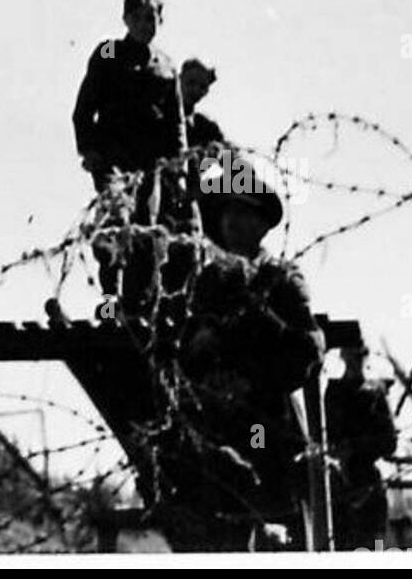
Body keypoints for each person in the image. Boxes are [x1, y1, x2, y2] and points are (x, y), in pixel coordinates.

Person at [163, 181, 324, 550]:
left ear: (262, 225)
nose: (230, 222)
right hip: (219, 433)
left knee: (278, 532)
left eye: (242, 213)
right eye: (226, 213)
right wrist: (201, 359)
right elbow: (184, 355)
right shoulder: (207, 282)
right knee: (223, 536)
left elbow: (307, 349)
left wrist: (252, 380)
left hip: (265, 425)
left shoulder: (280, 277)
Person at [71, 0, 187, 316]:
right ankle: (110, 295)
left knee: (145, 230)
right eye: (137, 17)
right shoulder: (109, 52)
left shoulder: (166, 66)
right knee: (115, 217)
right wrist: (88, 147)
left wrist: (177, 167)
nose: (144, 24)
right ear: (125, 19)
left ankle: (137, 303)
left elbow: (176, 123)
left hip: (149, 164)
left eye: (151, 18)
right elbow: (84, 106)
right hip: (111, 157)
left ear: (159, 22)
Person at [325, 344, 397, 551]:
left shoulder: (375, 392)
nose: (356, 360)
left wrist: (355, 447)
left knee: (375, 545)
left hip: (367, 482)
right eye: (352, 355)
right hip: (338, 483)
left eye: (360, 355)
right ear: (343, 356)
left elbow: (389, 442)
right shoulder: (333, 392)